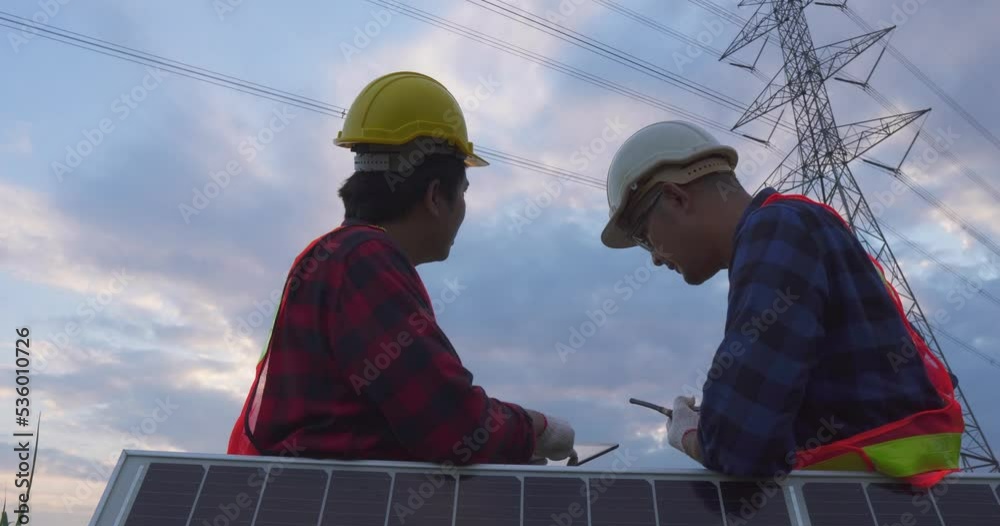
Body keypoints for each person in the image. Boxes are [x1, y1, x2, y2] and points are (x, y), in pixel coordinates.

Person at [227, 71, 576, 465]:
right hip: (328, 513)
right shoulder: (363, 260)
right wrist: (536, 429)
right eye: (463, 193)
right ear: (434, 196)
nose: (463, 209)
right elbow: (453, 426)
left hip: (308, 503)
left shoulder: (335, 255)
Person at [600, 120, 964, 488]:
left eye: (646, 238)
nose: (655, 260)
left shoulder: (775, 230)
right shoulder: (799, 226)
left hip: (855, 517)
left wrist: (690, 434)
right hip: (886, 505)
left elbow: (739, 445)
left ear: (677, 197)